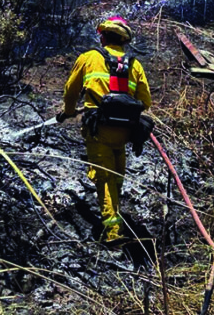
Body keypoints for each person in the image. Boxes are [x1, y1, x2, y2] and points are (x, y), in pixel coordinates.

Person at [58, 16, 152, 244]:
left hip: (97, 130)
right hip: (124, 131)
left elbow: (71, 89)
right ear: (124, 40)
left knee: (104, 178)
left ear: (102, 37)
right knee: (117, 174)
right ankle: (115, 210)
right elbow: (145, 101)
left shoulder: (89, 58)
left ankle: (112, 231)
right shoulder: (134, 64)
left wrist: (69, 111)